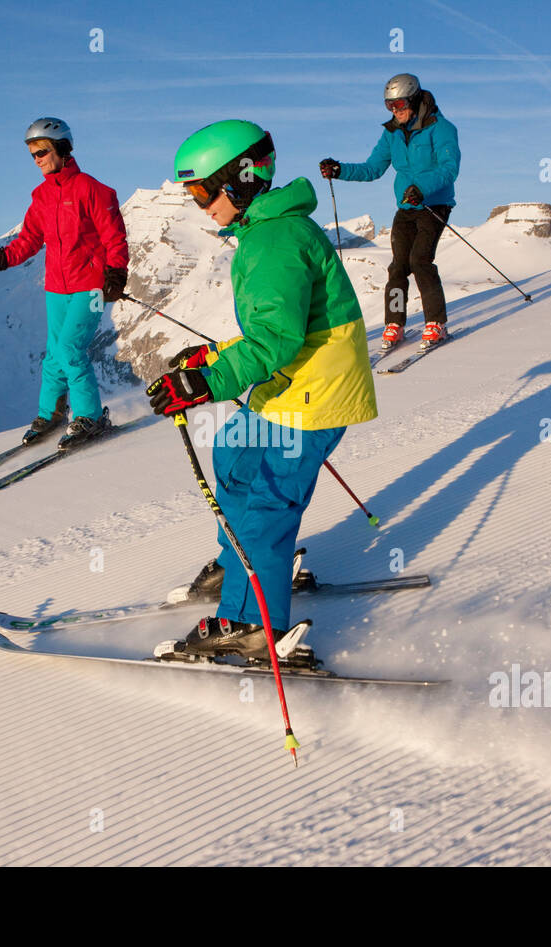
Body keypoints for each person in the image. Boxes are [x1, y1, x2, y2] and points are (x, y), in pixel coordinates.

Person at [145, 120, 378, 661]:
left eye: (202, 191)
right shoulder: (266, 232)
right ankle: (239, 564)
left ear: (239, 180)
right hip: (289, 386)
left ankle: (253, 626)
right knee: (233, 457)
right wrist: (211, 359)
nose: (199, 204)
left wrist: (207, 382)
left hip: (311, 397)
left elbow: (276, 338)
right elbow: (272, 332)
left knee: (266, 507)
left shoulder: (273, 240)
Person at [0, 117, 130, 449]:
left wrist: (116, 274)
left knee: (70, 348)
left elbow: (115, 239)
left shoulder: (93, 190)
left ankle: (90, 417)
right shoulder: (41, 197)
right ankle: (52, 415)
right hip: (57, 287)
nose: (37, 159)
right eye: (32, 154)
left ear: (62, 148)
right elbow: (27, 241)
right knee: (54, 355)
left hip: (91, 287)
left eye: (41, 151)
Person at [319, 73, 460, 349]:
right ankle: (394, 323)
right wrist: (340, 170)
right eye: (390, 106)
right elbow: (373, 168)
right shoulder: (391, 133)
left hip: (434, 204)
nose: (396, 111)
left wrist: (422, 187)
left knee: (420, 260)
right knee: (397, 266)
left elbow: (449, 169)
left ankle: (437, 323)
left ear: (416, 99)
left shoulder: (441, 128)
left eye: (400, 104)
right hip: (407, 206)